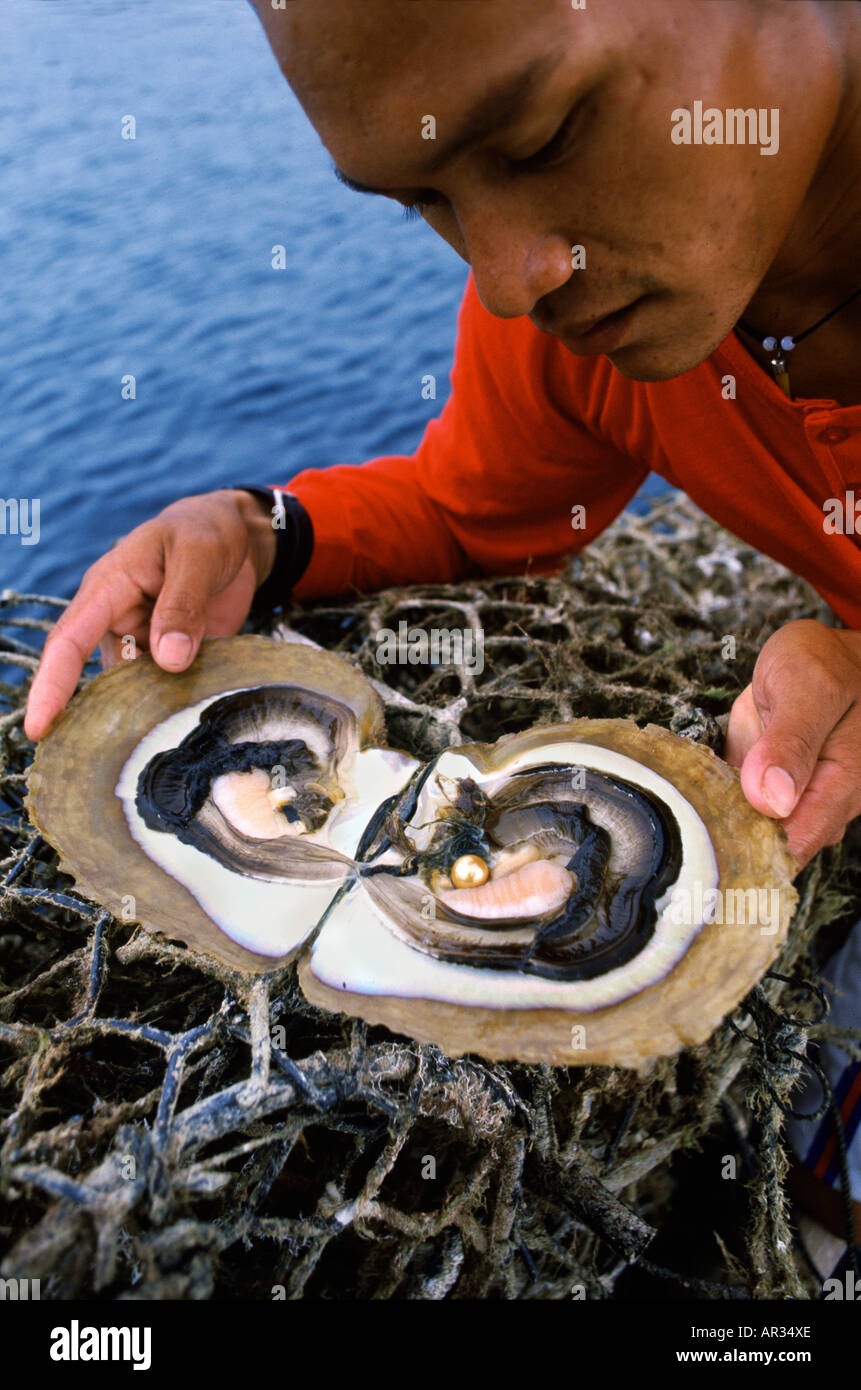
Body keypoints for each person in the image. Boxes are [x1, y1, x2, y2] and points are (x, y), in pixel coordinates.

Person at [22, 0, 861, 1257]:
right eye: (427, 197)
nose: (515, 274)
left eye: (543, 134)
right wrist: (266, 532)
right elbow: (475, 508)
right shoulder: (595, 329)